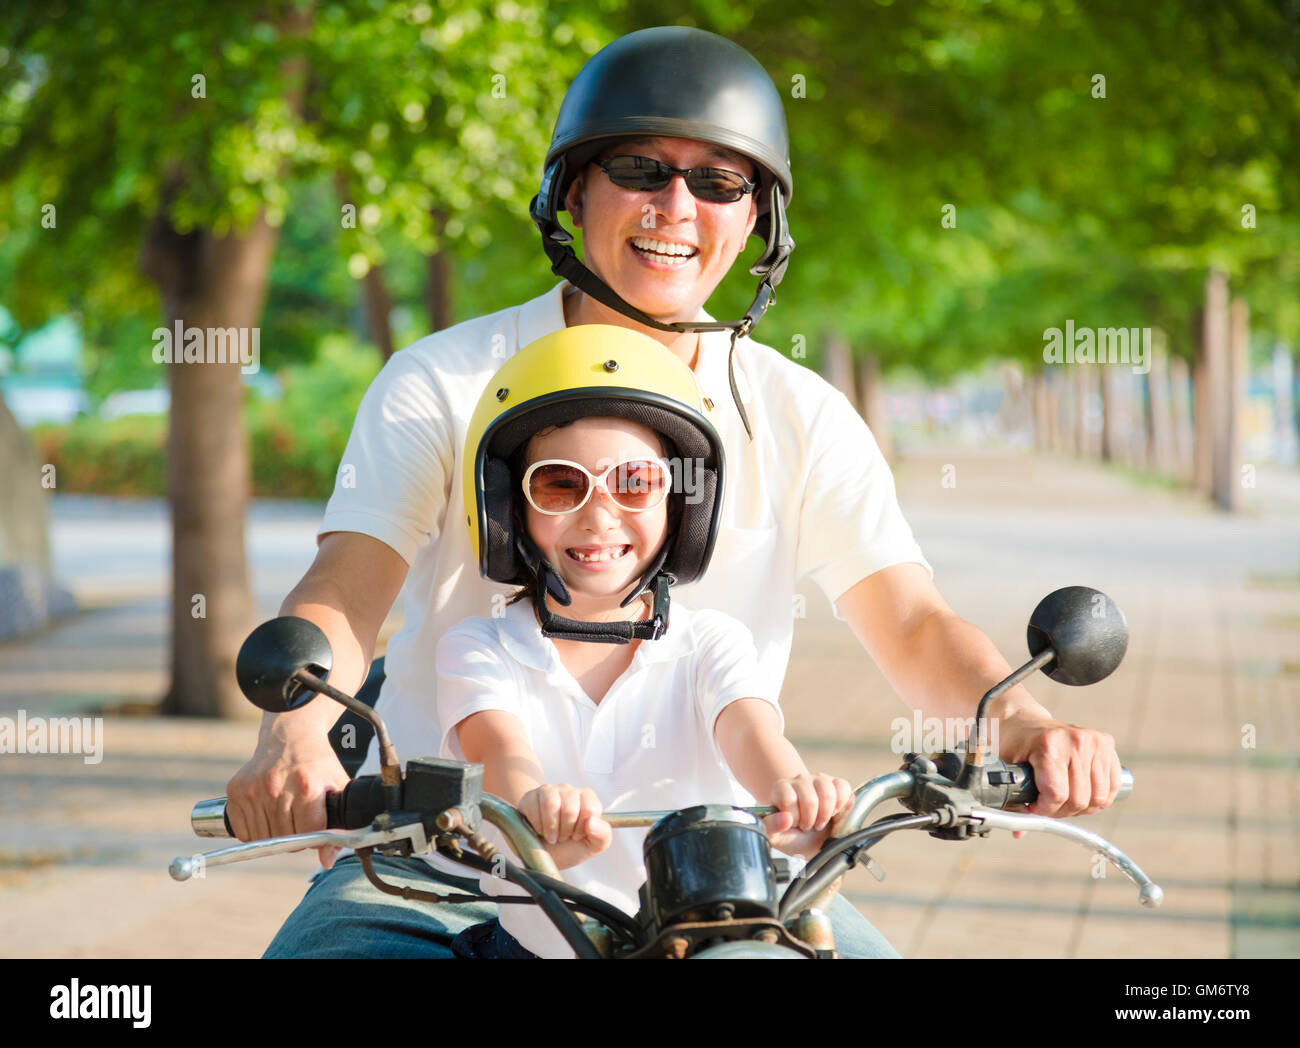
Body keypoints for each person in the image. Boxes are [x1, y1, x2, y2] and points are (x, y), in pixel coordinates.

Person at [244, 26, 1122, 959]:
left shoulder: (801, 415)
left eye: (720, 181)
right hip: (442, 858)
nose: (677, 205)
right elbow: (347, 586)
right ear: (572, 191)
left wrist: (1024, 723)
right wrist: (294, 730)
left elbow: (910, 621)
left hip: (717, 872)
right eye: (640, 166)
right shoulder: (443, 381)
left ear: (756, 223)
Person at [436, 325, 856, 959]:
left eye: (634, 482)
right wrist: (532, 810)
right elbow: (499, 751)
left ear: (682, 503)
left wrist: (795, 795)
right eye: (559, 483)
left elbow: (750, 732)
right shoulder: (478, 647)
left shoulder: (711, 643)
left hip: (710, 938)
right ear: (507, 508)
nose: (600, 514)